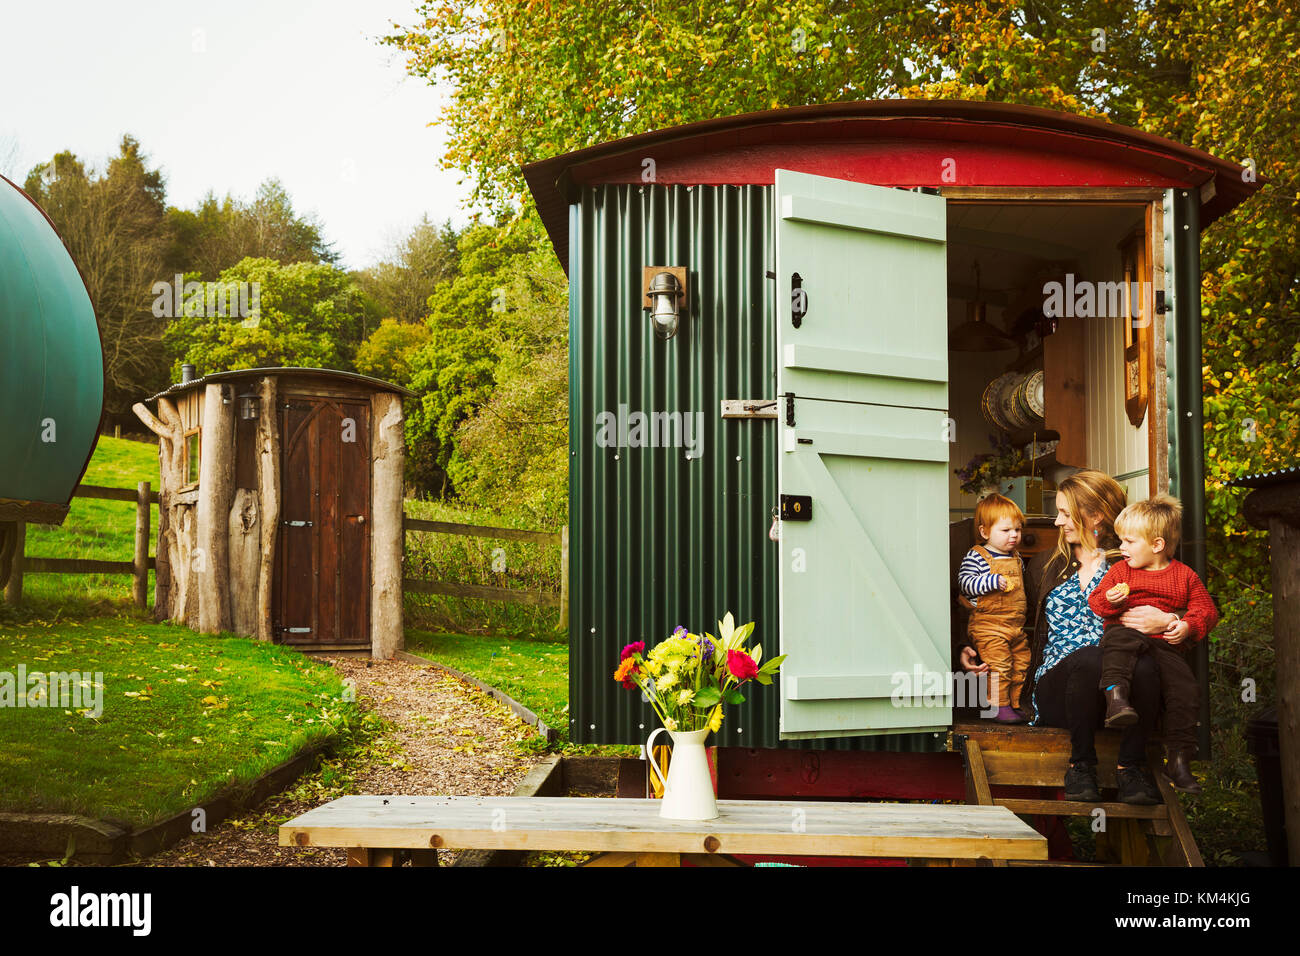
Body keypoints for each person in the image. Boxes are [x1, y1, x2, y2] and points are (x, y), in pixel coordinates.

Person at [959, 470, 1181, 805]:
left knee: (1146, 665)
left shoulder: (1133, 562)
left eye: (1065, 513)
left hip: (1118, 698)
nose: (1057, 521)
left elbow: (1183, 603)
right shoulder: (1045, 566)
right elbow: (998, 609)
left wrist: (1171, 620)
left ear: (1096, 516)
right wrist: (972, 645)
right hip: (1058, 691)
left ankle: (1131, 768)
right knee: (1090, 657)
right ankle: (1081, 765)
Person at [1089, 494, 1219, 793]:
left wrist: (1185, 625)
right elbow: (1096, 602)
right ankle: (1116, 698)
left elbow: (1206, 610)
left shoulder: (1184, 576)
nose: (1121, 547)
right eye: (1121, 540)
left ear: (1157, 545)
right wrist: (1110, 601)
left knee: (1186, 689)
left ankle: (1178, 759)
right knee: (1118, 641)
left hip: (1163, 646)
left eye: (1129, 541)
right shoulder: (1120, 571)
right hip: (1126, 635)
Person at [956, 494, 1029, 723]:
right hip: (988, 626)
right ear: (985, 532)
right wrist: (991, 582)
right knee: (999, 666)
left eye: (1017, 529)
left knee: (1021, 663)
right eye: (1006, 530)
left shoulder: (1016, 558)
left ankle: (1015, 703)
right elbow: (965, 583)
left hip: (1015, 626)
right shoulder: (977, 556)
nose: (1014, 535)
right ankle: (998, 705)